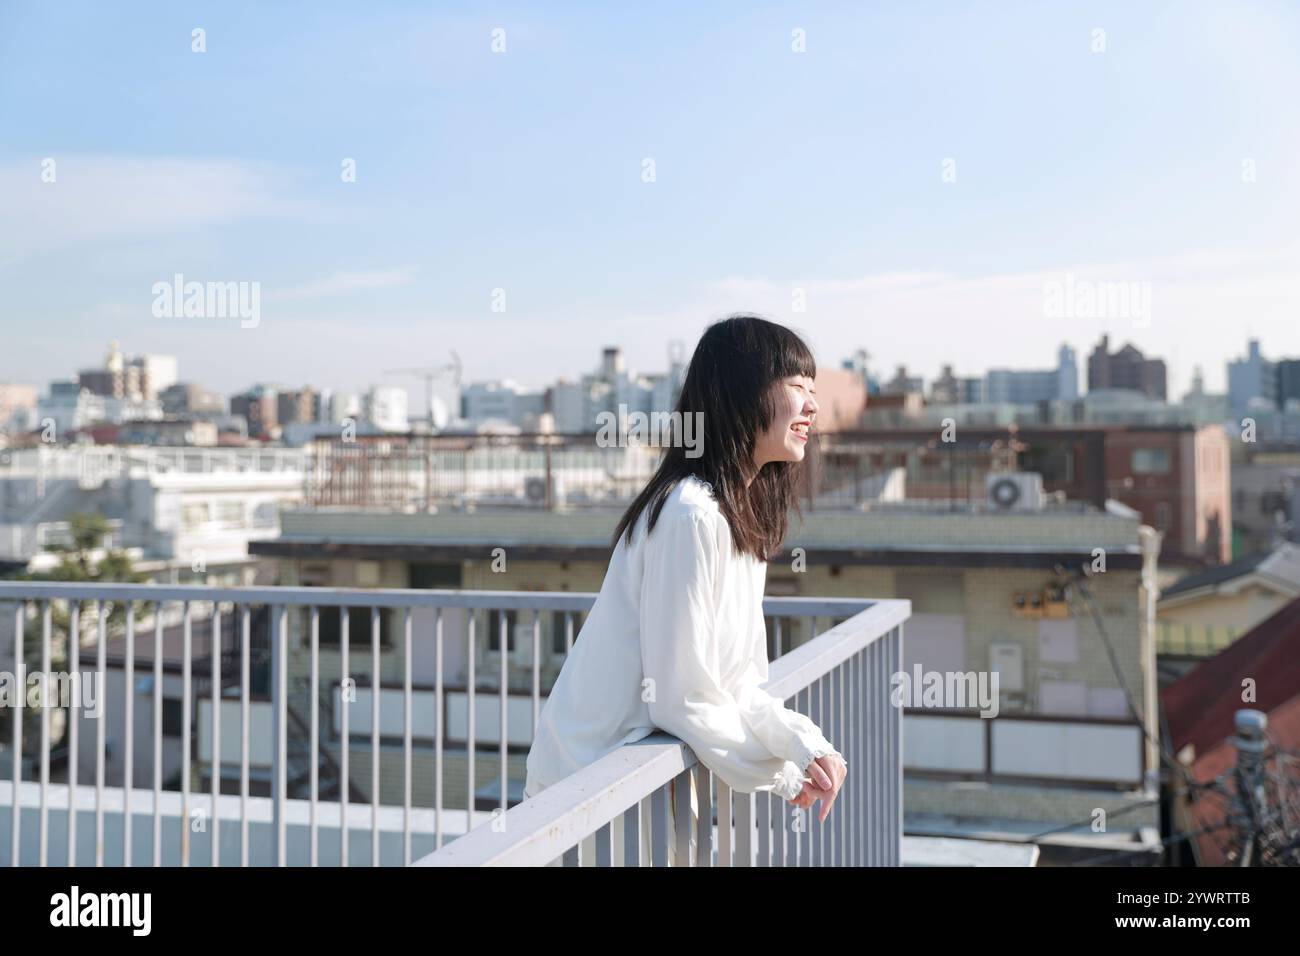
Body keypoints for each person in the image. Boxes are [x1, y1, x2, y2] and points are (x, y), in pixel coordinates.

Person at [523, 314, 848, 864]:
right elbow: (683, 696)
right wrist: (785, 777)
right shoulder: (691, 515)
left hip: (631, 784)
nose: (812, 406)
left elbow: (737, 686)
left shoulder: (734, 517)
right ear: (742, 394)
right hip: (591, 787)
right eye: (797, 388)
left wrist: (808, 745)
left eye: (813, 391)